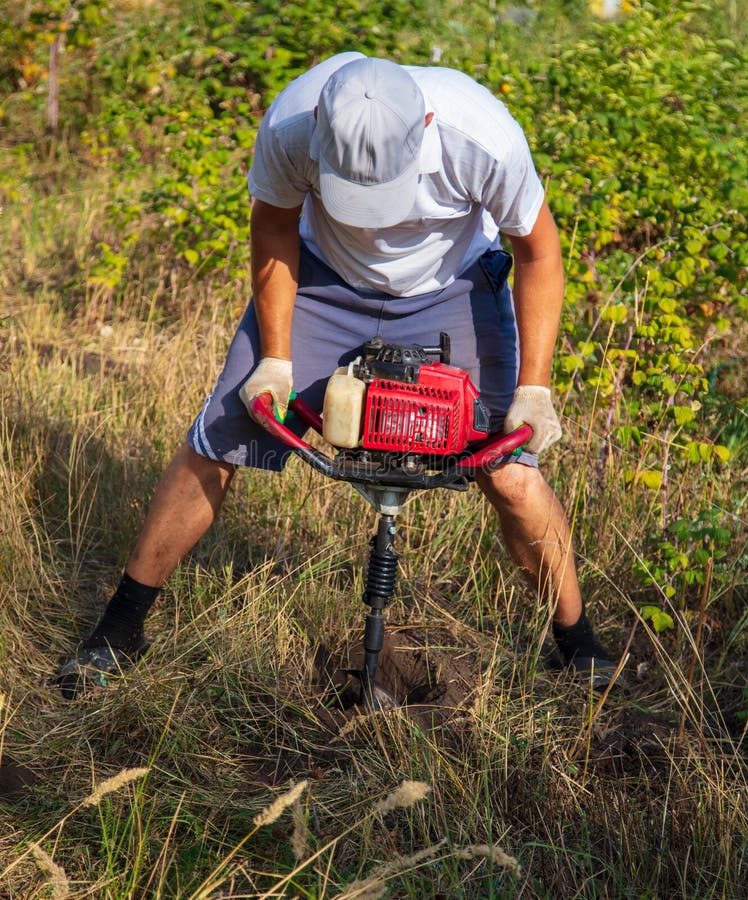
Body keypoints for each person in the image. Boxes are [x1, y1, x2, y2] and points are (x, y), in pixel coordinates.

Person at [57, 53, 619, 698]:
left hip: (452, 286)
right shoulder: (292, 125)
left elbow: (539, 251)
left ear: (428, 124)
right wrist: (274, 360)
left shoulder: (480, 137)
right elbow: (272, 224)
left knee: (510, 469)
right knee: (224, 431)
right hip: (323, 280)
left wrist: (534, 389)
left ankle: (578, 642)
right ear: (319, 122)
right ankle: (119, 630)